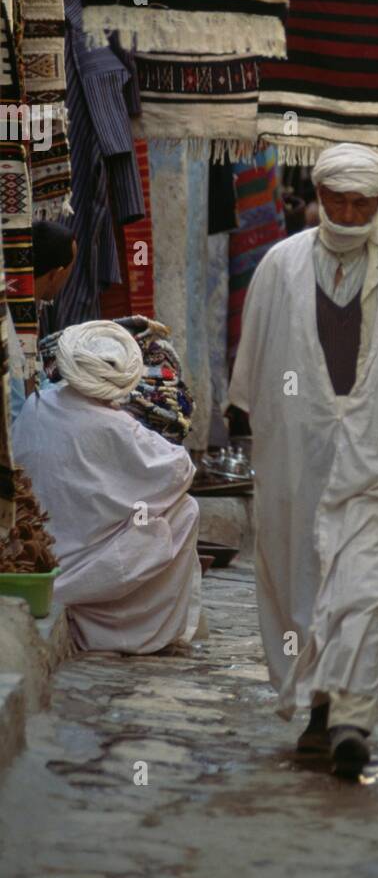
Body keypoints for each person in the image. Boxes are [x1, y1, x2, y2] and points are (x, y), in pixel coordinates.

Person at [229, 143, 378, 779]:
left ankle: (352, 715)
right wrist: (250, 412)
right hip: (301, 458)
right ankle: (320, 710)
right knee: (305, 583)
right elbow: (255, 356)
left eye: (363, 203)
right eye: (338, 200)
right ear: (320, 197)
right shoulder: (280, 266)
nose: (350, 213)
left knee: (369, 585)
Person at [13, 321, 201, 654]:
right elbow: (179, 469)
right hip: (87, 568)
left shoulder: (35, 406)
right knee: (184, 509)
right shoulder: (117, 427)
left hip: (35, 557)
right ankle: (133, 630)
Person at [8, 221, 78, 422]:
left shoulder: (25, 313)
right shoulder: (14, 327)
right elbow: (18, 412)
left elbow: (37, 384)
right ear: (55, 275)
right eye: (68, 272)